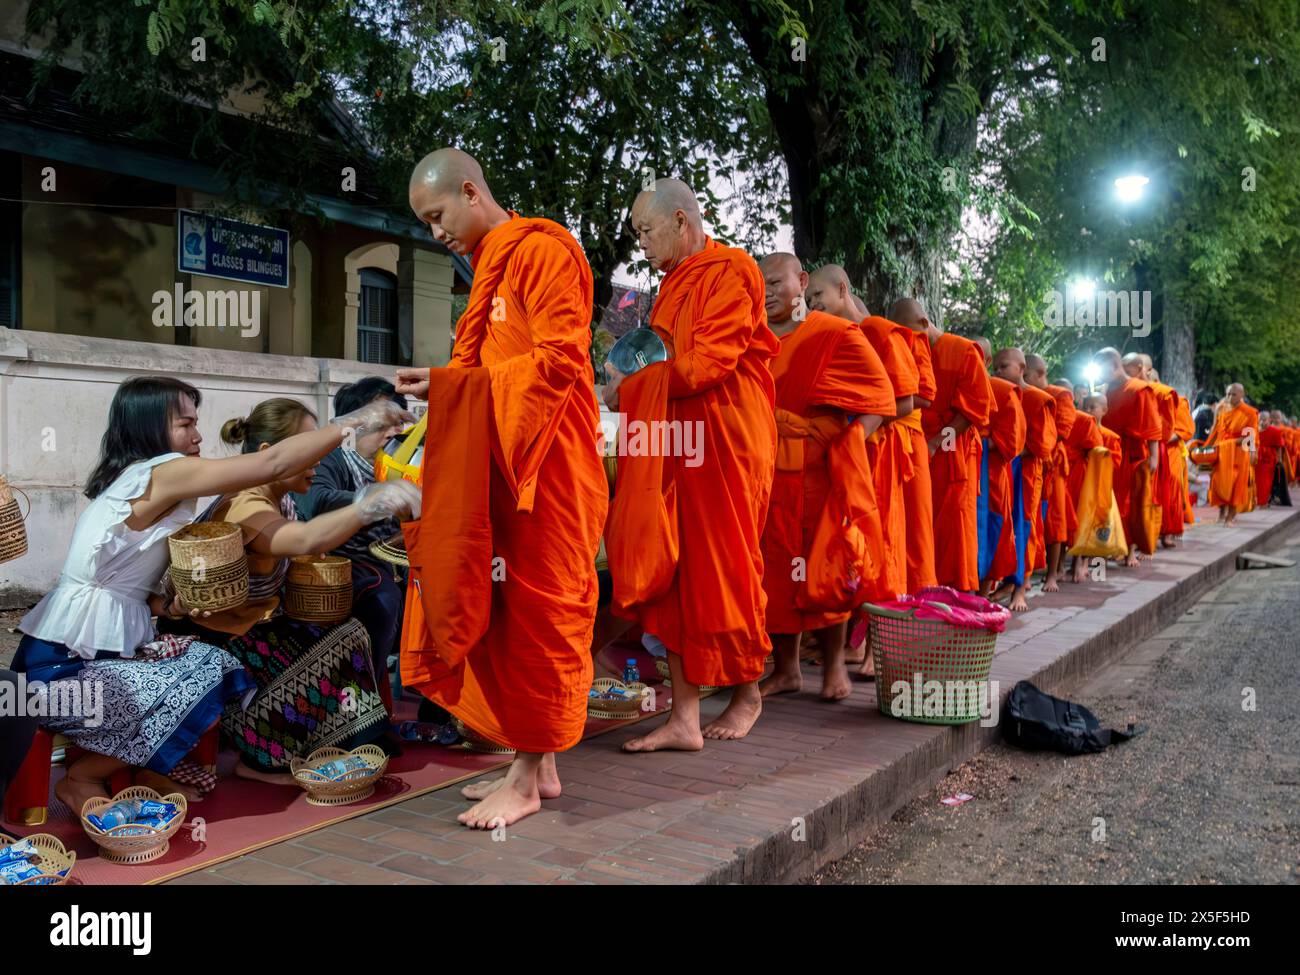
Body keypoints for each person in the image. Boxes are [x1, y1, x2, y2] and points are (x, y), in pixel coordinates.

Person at [12, 376, 409, 810]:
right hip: (58, 673)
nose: (198, 435)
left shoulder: (146, 481)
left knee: (207, 663)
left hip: (87, 664)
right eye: (185, 424)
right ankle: (83, 778)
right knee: (210, 669)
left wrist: (170, 604)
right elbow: (275, 464)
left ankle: (144, 768)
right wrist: (359, 422)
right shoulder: (160, 473)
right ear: (150, 427)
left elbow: (129, 589)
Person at [398, 147, 609, 828]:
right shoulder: (490, 265)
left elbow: (558, 360)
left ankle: (522, 775)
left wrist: (460, 390)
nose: (436, 233)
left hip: (549, 466)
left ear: (469, 191)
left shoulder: (543, 252)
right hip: (505, 466)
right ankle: (538, 762)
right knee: (509, 612)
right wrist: (449, 388)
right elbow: (494, 368)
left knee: (543, 612)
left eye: (437, 216)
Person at [157, 398, 421, 783]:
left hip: (252, 631)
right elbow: (301, 541)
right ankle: (263, 755)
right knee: (343, 639)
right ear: (270, 453)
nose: (316, 462)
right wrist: (370, 503)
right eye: (307, 450)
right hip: (221, 645)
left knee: (351, 622)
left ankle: (341, 741)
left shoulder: (277, 499)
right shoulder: (246, 503)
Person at [604, 177, 778, 751]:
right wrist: (631, 383)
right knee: (673, 571)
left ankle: (748, 693)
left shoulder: (731, 270)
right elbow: (666, 357)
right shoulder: (673, 282)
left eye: (648, 231)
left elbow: (710, 364)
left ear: (682, 222)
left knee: (725, 566)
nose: (643, 245)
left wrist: (631, 389)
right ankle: (684, 718)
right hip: (677, 437)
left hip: (727, 437)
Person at [755, 254, 892, 701]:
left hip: (817, 469)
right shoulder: (752, 340)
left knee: (825, 566)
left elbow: (882, 398)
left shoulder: (833, 334)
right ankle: (787, 669)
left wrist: (850, 443)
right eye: (762, 285)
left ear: (802, 281)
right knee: (775, 570)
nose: (769, 292)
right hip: (769, 469)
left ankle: (834, 667)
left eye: (776, 282)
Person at [297, 377, 413, 713]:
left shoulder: (396, 466)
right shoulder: (331, 458)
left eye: (397, 423)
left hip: (386, 567)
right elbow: (316, 502)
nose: (392, 432)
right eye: (382, 422)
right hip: (335, 570)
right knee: (382, 595)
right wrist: (379, 499)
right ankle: (357, 712)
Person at [806, 264, 916, 600]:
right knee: (846, 538)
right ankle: (845, 617)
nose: (812, 305)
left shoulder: (878, 331)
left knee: (877, 535)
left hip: (875, 449)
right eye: (808, 300)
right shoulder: (830, 336)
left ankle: (872, 645)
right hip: (846, 452)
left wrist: (857, 426)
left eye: (818, 295)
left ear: (842, 289)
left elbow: (906, 402)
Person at [890, 299, 993, 592]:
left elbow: (975, 410)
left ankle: (957, 599)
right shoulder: (911, 352)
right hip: (919, 450)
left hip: (952, 452)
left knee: (954, 530)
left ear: (924, 323)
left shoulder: (962, 350)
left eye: (909, 332)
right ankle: (924, 595)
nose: (907, 341)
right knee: (922, 528)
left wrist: (937, 442)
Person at [989, 348, 1055, 611]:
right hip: (1003, 466)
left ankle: (1021, 588)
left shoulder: (1038, 399)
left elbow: (1043, 445)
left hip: (1026, 470)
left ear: (1022, 368)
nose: (997, 372)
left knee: (1025, 526)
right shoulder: (999, 393)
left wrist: (1010, 447)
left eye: (1003, 367)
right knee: (1001, 523)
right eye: (995, 368)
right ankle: (1003, 579)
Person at [1093, 347, 1161, 565]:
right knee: (1108, 500)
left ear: (1113, 366)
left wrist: (1153, 456)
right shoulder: (1105, 391)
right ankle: (1111, 544)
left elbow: (1152, 426)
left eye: (1102, 370)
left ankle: (1130, 549)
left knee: (1131, 502)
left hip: (1133, 453)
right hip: (1109, 452)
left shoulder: (1140, 389)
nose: (1100, 376)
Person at [976, 340, 1026, 598]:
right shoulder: (955, 383)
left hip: (992, 475)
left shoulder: (1004, 392)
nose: (996, 371)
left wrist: (975, 442)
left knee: (993, 529)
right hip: (960, 472)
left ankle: (983, 595)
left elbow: (1012, 440)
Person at [1026, 355, 1076, 593]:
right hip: (1030, 460)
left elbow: (1062, 431)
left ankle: (1052, 574)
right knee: (1030, 516)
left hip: (1053, 462)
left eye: (1026, 377)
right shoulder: (1024, 393)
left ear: (1039, 373)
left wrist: (1038, 446)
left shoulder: (1060, 395)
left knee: (1054, 519)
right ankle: (1025, 573)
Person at [1203, 383, 1258, 525]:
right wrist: (1206, 448)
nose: (1229, 397)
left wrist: (1252, 451)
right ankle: (1221, 511)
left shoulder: (1250, 412)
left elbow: (1251, 434)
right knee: (1218, 481)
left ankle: (1230, 516)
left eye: (1233, 394)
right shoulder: (1221, 408)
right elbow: (1215, 429)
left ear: (1241, 395)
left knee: (1236, 484)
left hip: (1239, 452)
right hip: (1221, 450)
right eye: (1228, 394)